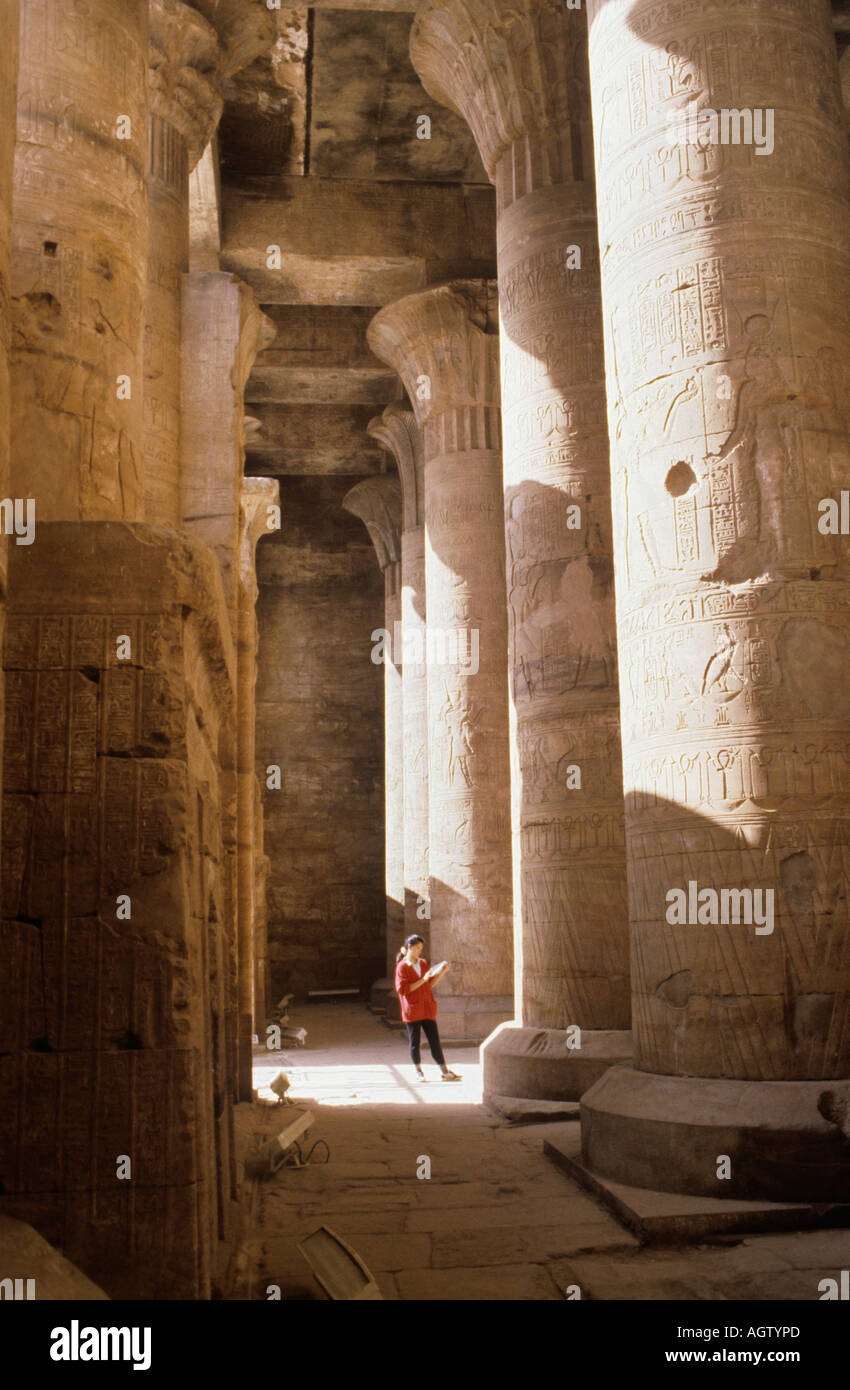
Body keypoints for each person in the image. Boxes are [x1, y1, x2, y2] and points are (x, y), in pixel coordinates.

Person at [394, 935, 461, 1083]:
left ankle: (444, 1071)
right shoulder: (402, 967)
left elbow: (428, 985)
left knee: (434, 1040)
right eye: (417, 948)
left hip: (427, 1008)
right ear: (410, 948)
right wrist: (422, 980)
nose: (419, 952)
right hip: (413, 1010)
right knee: (415, 1042)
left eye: (421, 949)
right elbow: (403, 989)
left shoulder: (423, 963)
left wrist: (442, 972)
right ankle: (418, 1071)